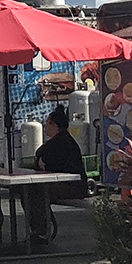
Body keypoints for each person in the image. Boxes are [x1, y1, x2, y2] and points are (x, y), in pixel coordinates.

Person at [28, 104, 87, 244]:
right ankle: (39, 230)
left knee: (35, 191)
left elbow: (42, 155)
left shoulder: (62, 141)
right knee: (32, 190)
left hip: (72, 185)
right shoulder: (60, 140)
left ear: (55, 125)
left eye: (48, 123)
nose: (45, 126)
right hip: (64, 182)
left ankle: (41, 231)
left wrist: (42, 162)